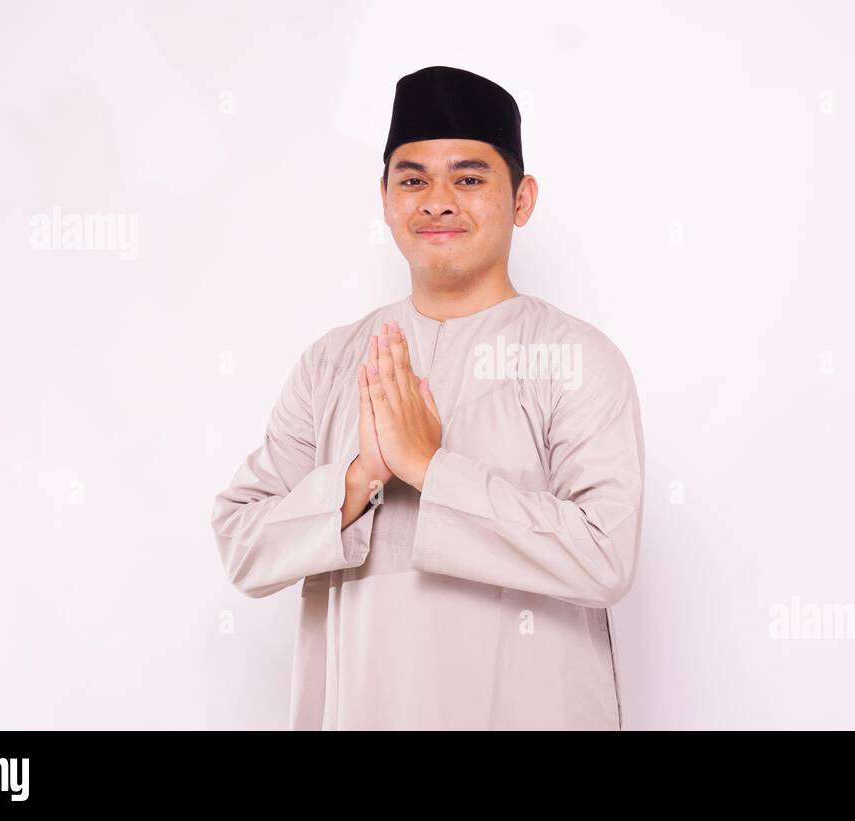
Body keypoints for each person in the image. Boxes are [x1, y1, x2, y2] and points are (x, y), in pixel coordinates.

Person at [211, 66, 645, 729]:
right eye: (413, 179)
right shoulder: (332, 362)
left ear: (522, 199)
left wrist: (430, 469)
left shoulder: (578, 359)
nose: (437, 200)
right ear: (385, 196)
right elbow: (243, 539)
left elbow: (605, 554)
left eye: (469, 179)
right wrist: (358, 480)